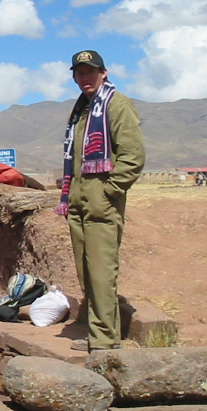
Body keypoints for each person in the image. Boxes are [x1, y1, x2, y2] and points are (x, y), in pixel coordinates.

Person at [55, 50, 145, 351]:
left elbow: (132, 157)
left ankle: (105, 339)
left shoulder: (116, 105)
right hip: (78, 203)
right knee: (85, 271)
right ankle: (97, 331)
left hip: (101, 202)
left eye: (90, 72)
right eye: (79, 73)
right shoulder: (82, 110)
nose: (84, 78)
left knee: (102, 270)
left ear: (103, 73)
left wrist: (109, 192)